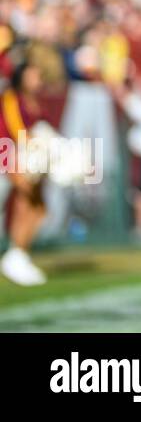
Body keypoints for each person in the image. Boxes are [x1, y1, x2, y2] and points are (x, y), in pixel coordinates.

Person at [1, 62, 50, 286]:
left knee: (38, 207)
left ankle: (19, 254)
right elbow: (16, 130)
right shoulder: (12, 97)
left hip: (26, 156)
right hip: (7, 152)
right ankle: (15, 256)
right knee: (27, 202)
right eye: (33, 74)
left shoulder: (35, 101)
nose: (38, 79)